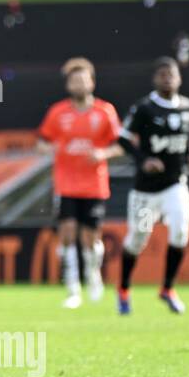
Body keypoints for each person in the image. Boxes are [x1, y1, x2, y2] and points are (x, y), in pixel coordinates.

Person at [116, 56, 189, 315]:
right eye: (163, 74)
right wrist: (144, 160)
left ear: (179, 78)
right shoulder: (144, 107)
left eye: (172, 74)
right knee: (137, 241)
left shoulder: (186, 106)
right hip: (146, 190)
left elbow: (185, 135)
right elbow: (122, 138)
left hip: (176, 184)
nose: (168, 78)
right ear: (155, 79)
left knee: (180, 233)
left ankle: (167, 288)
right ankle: (123, 289)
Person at [36, 57, 123, 309]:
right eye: (74, 80)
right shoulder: (57, 112)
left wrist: (103, 154)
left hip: (94, 184)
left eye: (83, 79)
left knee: (90, 238)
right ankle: (73, 288)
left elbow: (120, 145)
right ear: (68, 85)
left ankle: (93, 275)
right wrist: (49, 148)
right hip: (65, 184)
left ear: (92, 82)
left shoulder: (105, 111)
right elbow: (41, 141)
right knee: (67, 234)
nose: (79, 83)